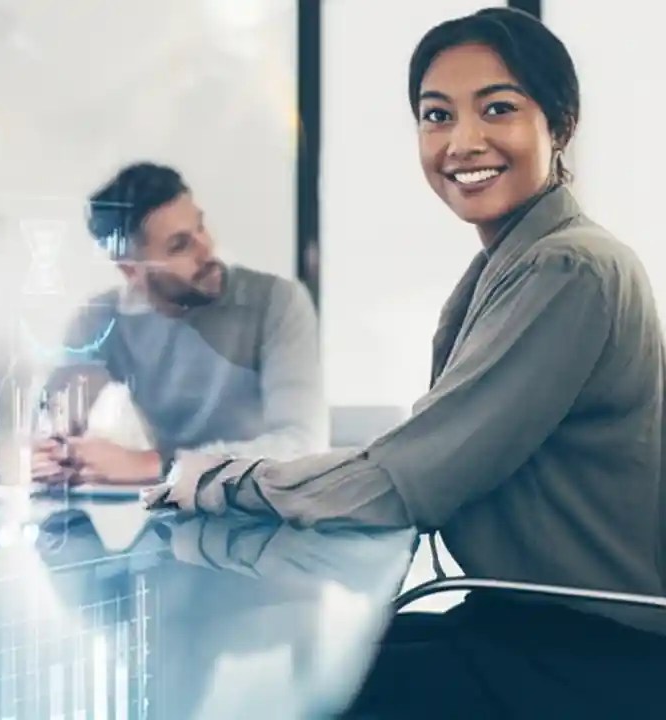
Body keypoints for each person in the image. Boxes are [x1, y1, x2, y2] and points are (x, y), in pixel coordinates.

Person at [144, 8, 666, 717]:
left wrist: (219, 481)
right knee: (323, 649)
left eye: (498, 109)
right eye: (436, 115)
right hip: (522, 624)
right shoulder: (520, 261)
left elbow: (412, 475)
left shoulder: (568, 268)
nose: (463, 141)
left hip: (586, 656)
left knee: (305, 690)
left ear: (560, 122)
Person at [31, 162, 327, 485]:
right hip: (170, 516)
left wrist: (158, 464)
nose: (207, 249)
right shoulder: (103, 319)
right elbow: (49, 427)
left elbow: (302, 446)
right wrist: (59, 453)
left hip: (263, 511)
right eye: (180, 245)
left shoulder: (277, 302)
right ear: (132, 271)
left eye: (200, 227)